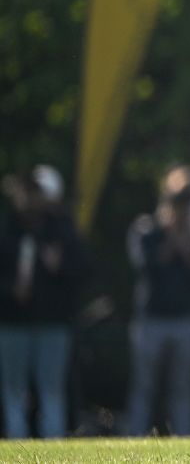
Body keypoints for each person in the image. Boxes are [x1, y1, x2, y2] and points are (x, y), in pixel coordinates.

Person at [125, 165, 190, 436]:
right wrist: (170, 241)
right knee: (143, 387)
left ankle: (184, 437)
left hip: (185, 322)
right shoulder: (149, 232)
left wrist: (186, 247)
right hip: (151, 320)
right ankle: (135, 436)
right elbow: (145, 266)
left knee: (183, 390)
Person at [0, 165, 87, 438]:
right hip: (13, 321)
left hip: (52, 321)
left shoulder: (60, 228)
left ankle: (53, 441)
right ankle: (16, 442)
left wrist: (59, 265)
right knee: (13, 389)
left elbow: (82, 270)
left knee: (51, 389)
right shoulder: (7, 229)